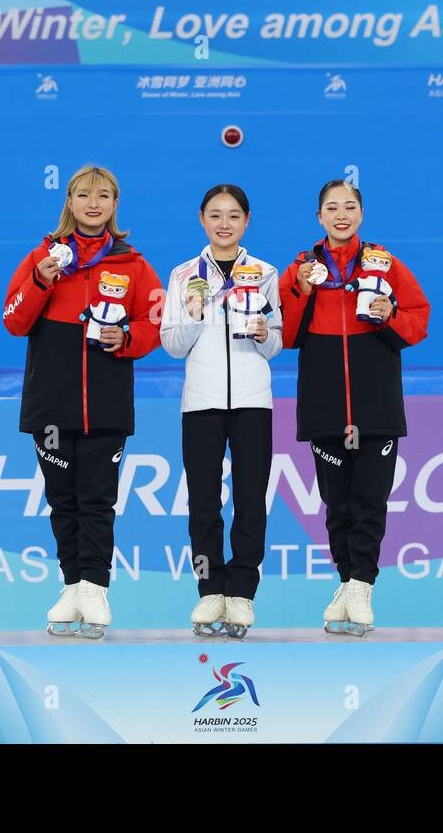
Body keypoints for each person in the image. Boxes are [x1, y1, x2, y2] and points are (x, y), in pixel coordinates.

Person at [2, 166, 163, 638]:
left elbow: (156, 321)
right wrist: (40, 280)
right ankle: (71, 584)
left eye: (105, 195)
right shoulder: (42, 257)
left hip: (106, 407)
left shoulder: (132, 264)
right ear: (69, 201)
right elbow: (14, 320)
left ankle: (94, 585)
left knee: (97, 500)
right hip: (50, 404)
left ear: (116, 204)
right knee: (62, 501)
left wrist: (127, 336)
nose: (95, 203)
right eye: (85, 195)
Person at [278, 180, 430, 636]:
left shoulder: (384, 264)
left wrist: (389, 315)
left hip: (375, 402)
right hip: (324, 404)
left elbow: (418, 321)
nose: (340, 214)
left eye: (349, 206)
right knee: (336, 505)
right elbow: (284, 335)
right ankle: (347, 582)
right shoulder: (302, 269)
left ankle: (362, 584)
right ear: (318, 217)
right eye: (331, 208)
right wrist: (300, 291)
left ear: (361, 214)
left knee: (369, 500)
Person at [160, 184, 282, 639]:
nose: (224, 223)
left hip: (253, 402)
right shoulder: (182, 275)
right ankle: (210, 591)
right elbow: (171, 345)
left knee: (251, 500)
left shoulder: (265, 273)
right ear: (201, 219)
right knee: (204, 502)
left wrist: (261, 331)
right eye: (215, 214)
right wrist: (193, 313)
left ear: (247, 221)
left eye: (233, 215)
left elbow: (276, 343)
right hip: (201, 403)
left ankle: (242, 595)